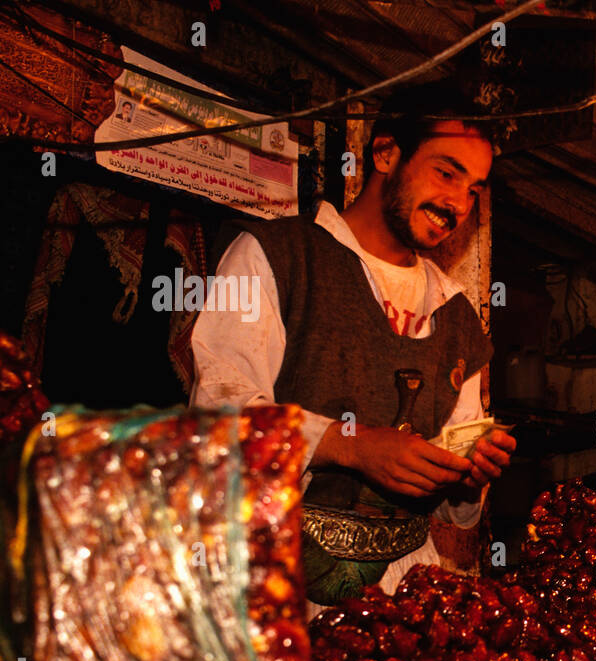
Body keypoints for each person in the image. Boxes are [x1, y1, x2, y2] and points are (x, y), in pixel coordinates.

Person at [191, 82, 516, 608]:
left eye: (474, 189)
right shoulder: (275, 257)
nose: (458, 202)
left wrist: (467, 468)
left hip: (402, 601)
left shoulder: (457, 315)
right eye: (446, 172)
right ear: (386, 152)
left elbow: (457, 513)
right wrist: (350, 444)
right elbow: (215, 422)